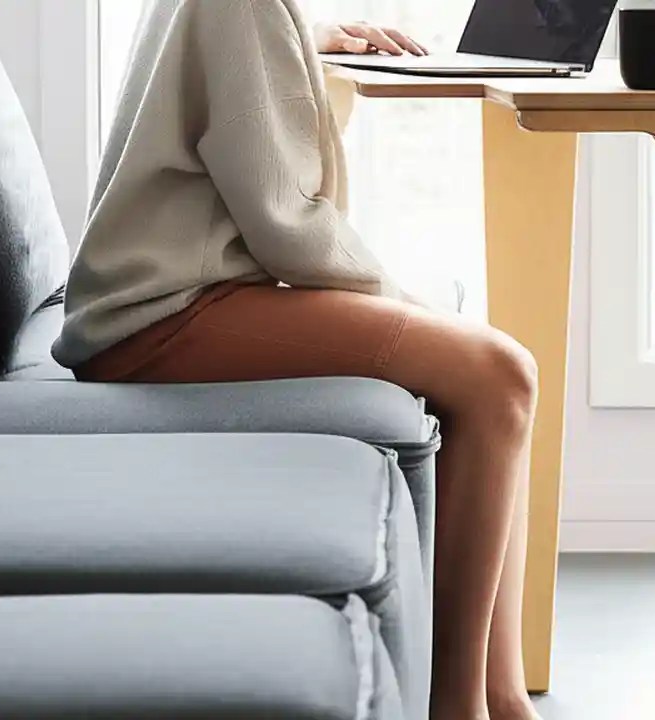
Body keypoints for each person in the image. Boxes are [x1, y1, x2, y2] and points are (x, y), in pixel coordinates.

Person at [53, 2, 542, 719]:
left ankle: (503, 697)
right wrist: (405, 302)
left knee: (492, 368)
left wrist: (305, 49)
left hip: (175, 295)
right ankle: (460, 706)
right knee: (498, 373)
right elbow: (288, 225)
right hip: (163, 315)